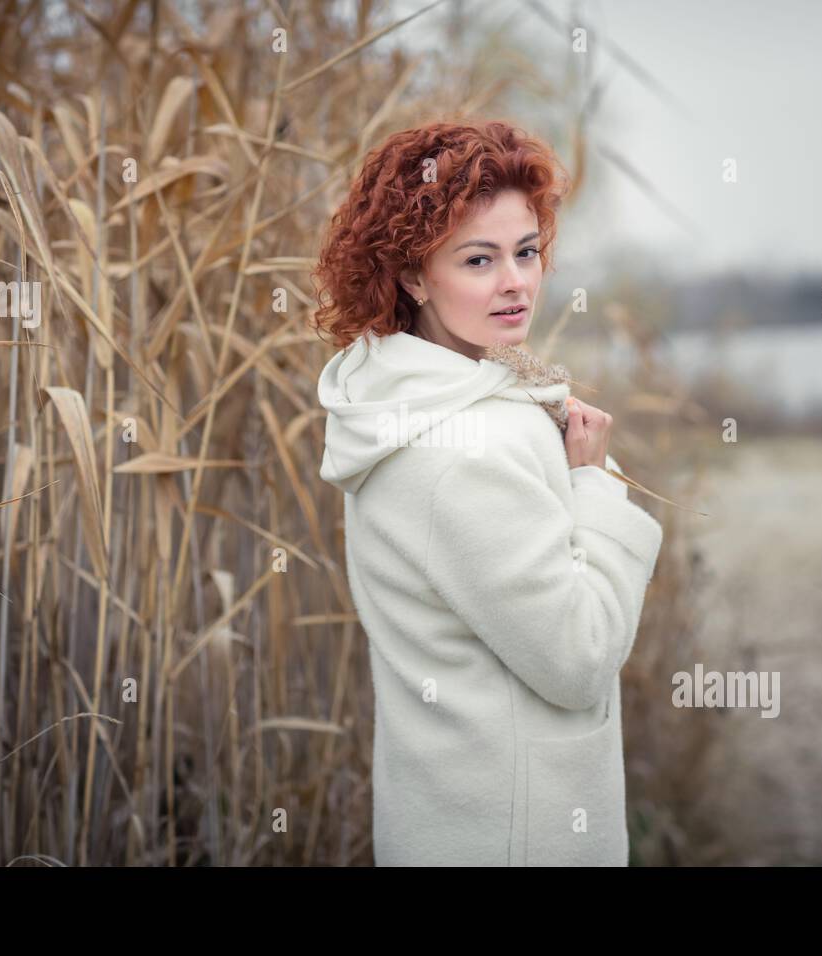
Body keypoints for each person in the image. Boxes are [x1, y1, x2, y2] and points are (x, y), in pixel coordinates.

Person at [310, 119, 664, 866]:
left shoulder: (405, 405)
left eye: (527, 252)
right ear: (412, 277)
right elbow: (578, 655)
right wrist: (591, 485)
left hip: (459, 815)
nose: (517, 283)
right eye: (479, 260)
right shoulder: (459, 451)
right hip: (515, 834)